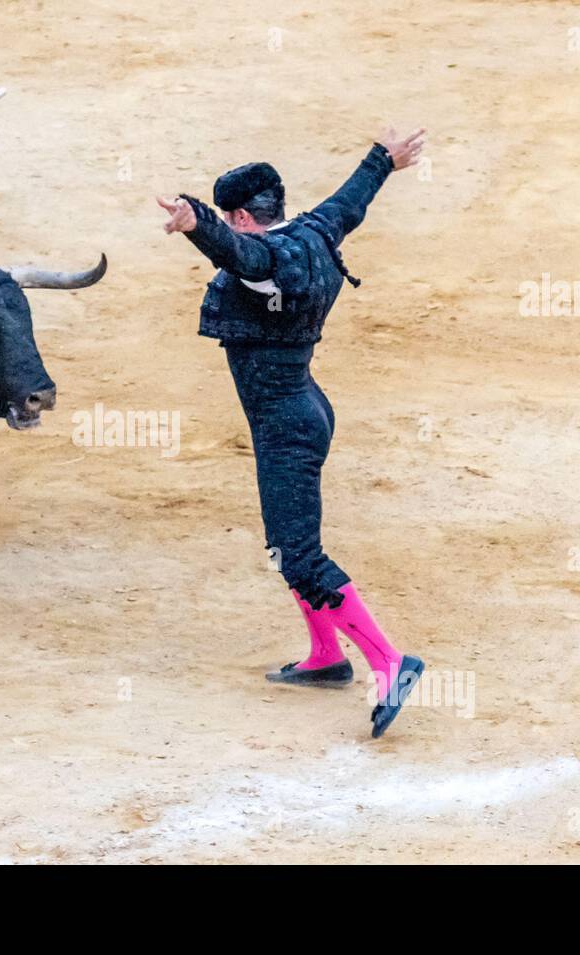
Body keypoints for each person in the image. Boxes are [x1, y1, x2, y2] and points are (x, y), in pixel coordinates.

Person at [157, 128, 427, 738]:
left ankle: (389, 663)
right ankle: (327, 656)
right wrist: (383, 159)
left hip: (285, 426)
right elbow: (349, 200)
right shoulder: (314, 231)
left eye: (231, 217)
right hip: (306, 406)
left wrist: (195, 222)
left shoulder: (262, 257)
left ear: (244, 215)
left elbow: (235, 253)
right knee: (287, 546)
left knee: (299, 554)